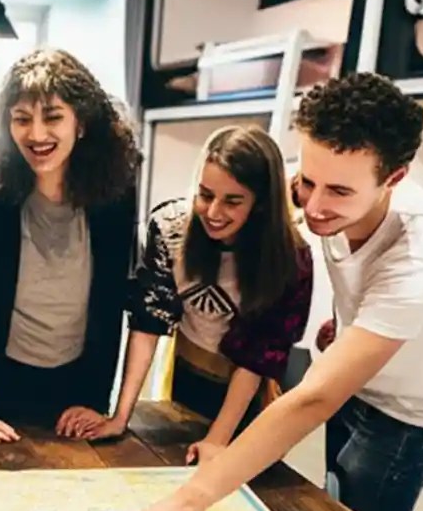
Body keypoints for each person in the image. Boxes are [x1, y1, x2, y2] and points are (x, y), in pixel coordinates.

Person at [100, 72, 423, 511]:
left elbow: (314, 397)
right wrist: (352, 325)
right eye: (307, 181)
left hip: (402, 414)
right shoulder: (321, 193)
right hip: (352, 379)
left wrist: (191, 499)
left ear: (394, 179)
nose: (313, 207)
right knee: (332, 504)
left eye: (338, 192)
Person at [61, 126, 313, 462]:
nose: (213, 212)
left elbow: (254, 359)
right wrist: (120, 417)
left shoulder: (291, 259)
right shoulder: (170, 227)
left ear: (261, 204)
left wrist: (218, 439)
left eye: (233, 201)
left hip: (250, 394)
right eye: (205, 195)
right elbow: (148, 323)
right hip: (187, 371)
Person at [0, 48, 140, 440]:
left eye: (53, 117)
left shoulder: (116, 192)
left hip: (78, 384)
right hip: (2, 380)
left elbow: (110, 298)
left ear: (81, 123)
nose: (36, 134)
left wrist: (98, 399)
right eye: (22, 120)